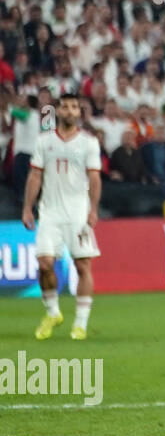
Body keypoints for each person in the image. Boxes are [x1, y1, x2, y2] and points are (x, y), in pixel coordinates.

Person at [21, 93, 101, 340]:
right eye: (64, 106)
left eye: (74, 107)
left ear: (79, 113)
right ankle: (53, 312)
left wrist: (93, 209)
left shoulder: (89, 143)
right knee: (44, 264)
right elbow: (35, 176)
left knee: (82, 265)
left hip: (78, 213)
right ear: (57, 111)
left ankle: (81, 323)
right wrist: (27, 207)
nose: (69, 110)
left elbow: (95, 178)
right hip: (50, 212)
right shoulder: (45, 141)